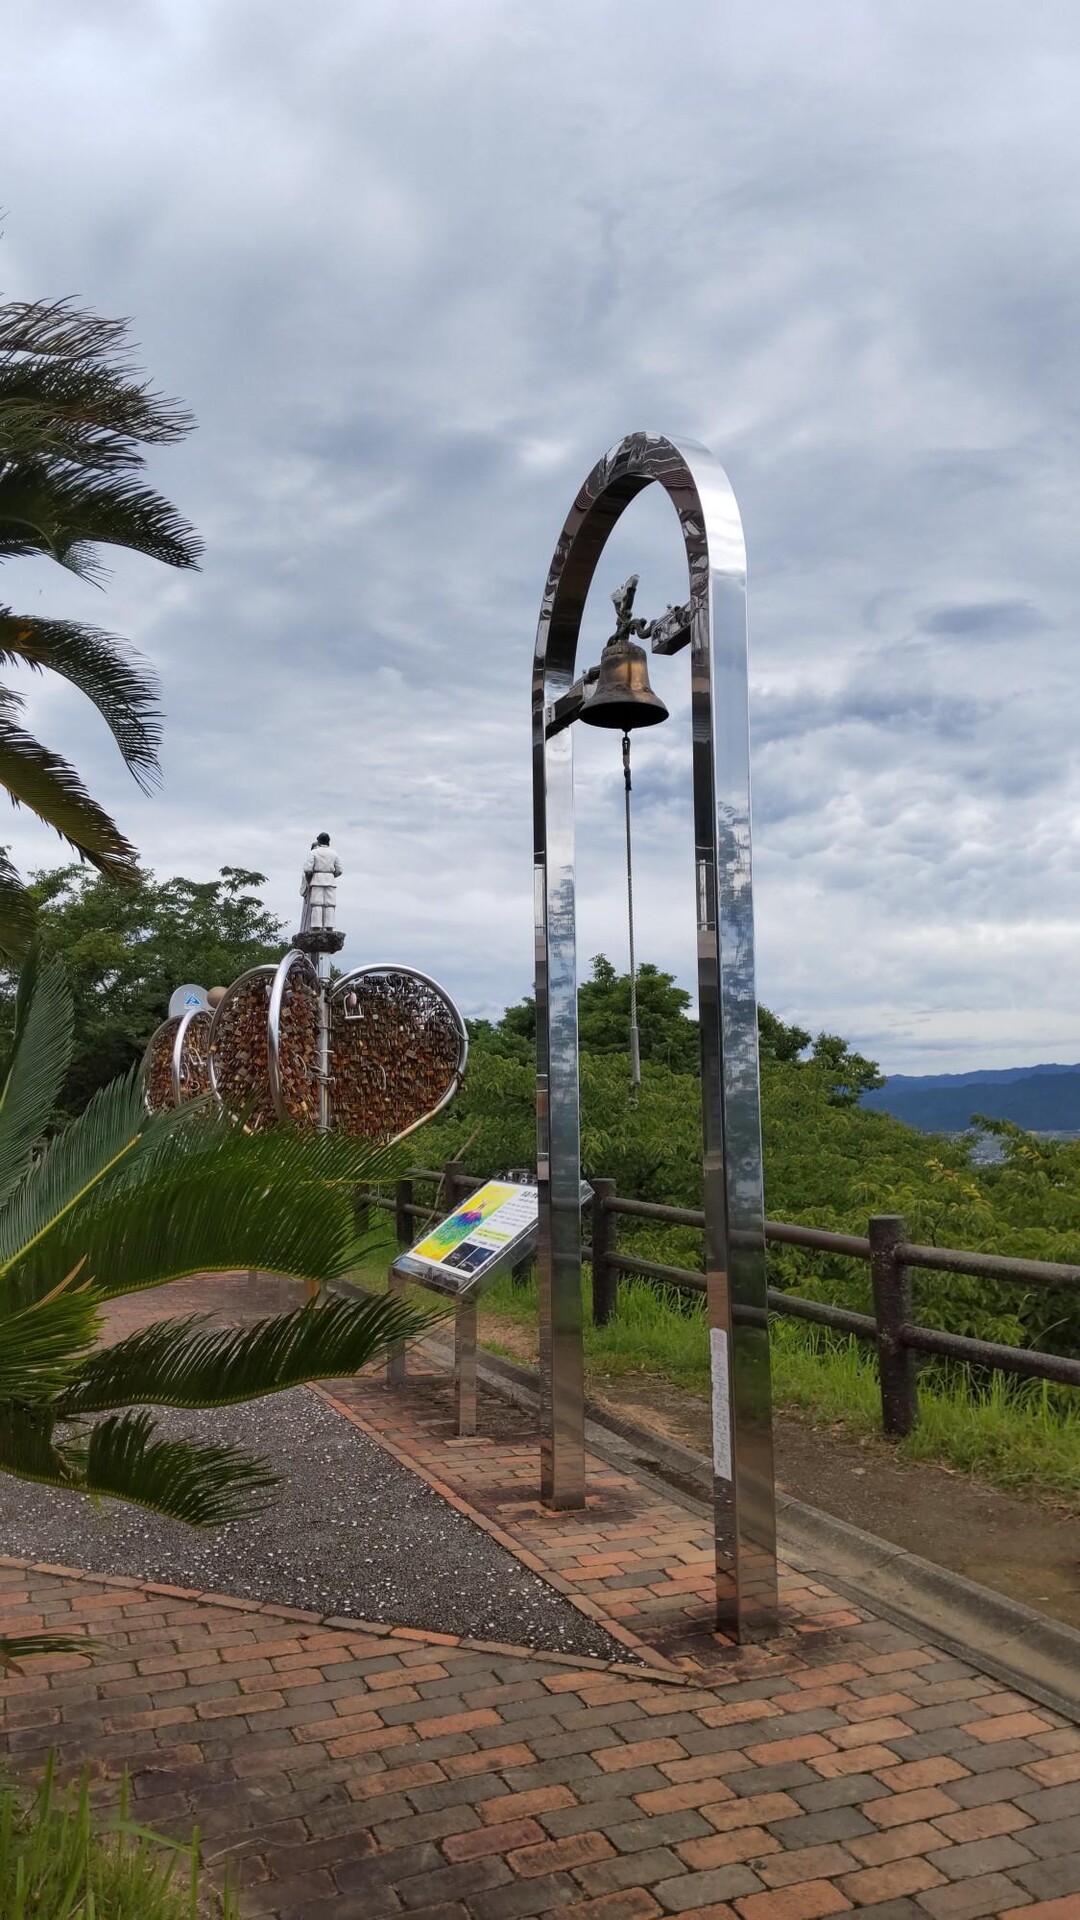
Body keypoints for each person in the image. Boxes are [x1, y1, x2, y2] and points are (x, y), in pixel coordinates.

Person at [300, 832, 343, 932]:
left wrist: (311, 877)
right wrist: (331, 875)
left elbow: (307, 869)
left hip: (317, 880)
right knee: (330, 904)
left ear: (319, 841)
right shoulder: (334, 853)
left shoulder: (314, 853)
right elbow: (339, 870)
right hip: (330, 880)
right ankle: (329, 926)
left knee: (316, 904)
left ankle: (316, 926)